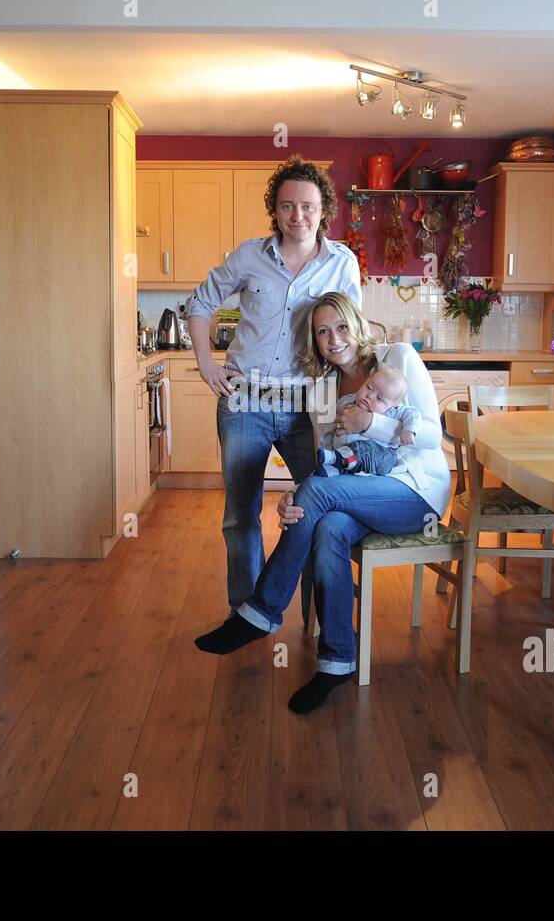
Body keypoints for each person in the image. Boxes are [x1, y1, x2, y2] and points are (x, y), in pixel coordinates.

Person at [195, 293, 450, 714]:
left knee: (319, 496)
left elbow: (429, 434)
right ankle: (337, 661)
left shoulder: (398, 359)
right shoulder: (323, 392)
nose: (334, 339)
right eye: (323, 332)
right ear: (314, 341)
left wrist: (374, 424)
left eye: (342, 327)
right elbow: (330, 462)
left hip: (413, 493)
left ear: (357, 324)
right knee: (328, 527)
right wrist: (298, 494)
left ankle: (260, 611)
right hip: (360, 495)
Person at [185, 156, 362, 615]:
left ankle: (316, 613)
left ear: (324, 208)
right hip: (246, 400)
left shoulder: (342, 263)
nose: (297, 216)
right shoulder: (248, 256)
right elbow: (200, 303)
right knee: (242, 514)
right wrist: (207, 364)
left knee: (314, 508)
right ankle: (250, 611)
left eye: (307, 206)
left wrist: (357, 398)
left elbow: (350, 334)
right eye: (287, 206)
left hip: (312, 402)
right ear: (275, 211)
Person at [315, 365, 419, 476]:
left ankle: (339, 459)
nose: (369, 395)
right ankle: (336, 466)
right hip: (344, 458)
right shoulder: (346, 402)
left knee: (368, 449)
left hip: (376, 460)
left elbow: (412, 413)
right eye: (369, 387)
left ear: (394, 405)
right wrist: (326, 447)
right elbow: (331, 429)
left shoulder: (392, 411)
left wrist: (408, 430)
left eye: (379, 398)